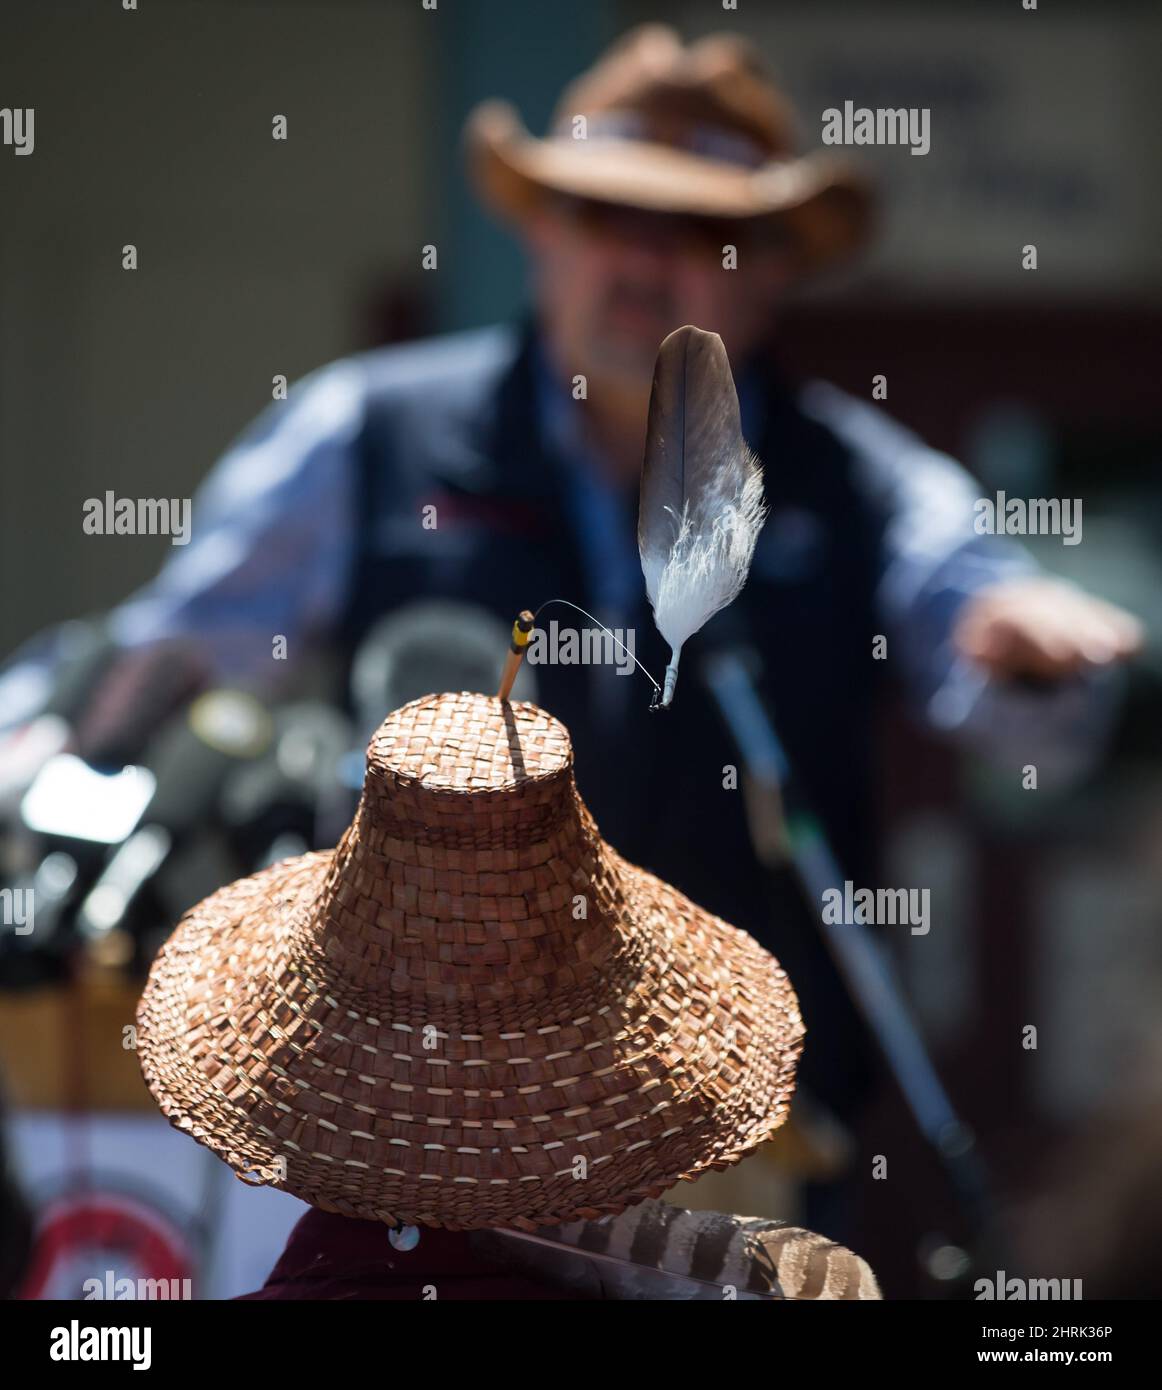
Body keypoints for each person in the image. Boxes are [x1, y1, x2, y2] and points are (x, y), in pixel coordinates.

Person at [0, 25, 1141, 1200]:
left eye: (703, 233)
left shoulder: (853, 475)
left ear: (772, 268)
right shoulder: (368, 433)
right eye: (607, 216)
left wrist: (1025, 652)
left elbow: (1008, 675)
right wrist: (45, 745)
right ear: (540, 230)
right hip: (414, 1122)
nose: (648, 264)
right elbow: (173, 655)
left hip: (737, 1135)